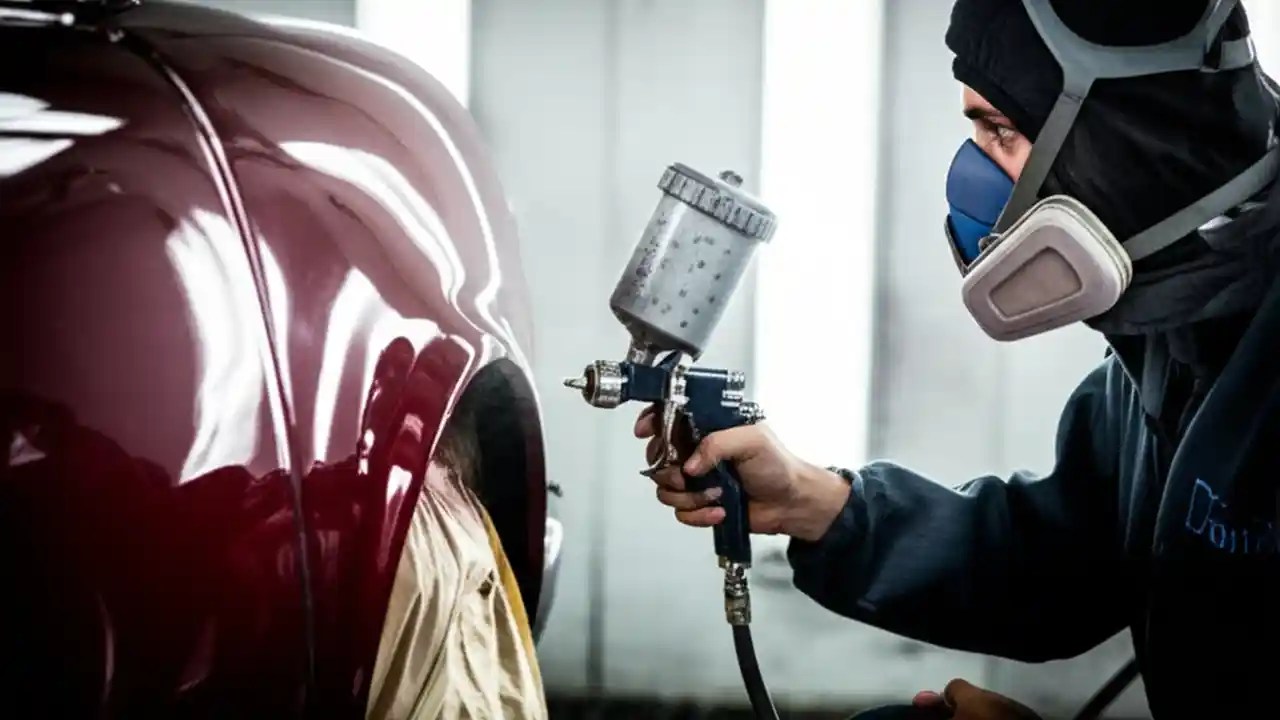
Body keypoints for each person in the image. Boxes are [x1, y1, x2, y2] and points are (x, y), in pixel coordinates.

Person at [637, 1, 1280, 718]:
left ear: (1122, 135)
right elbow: (1064, 564)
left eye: (999, 129)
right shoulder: (1166, 343)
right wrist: (811, 502)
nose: (973, 176)